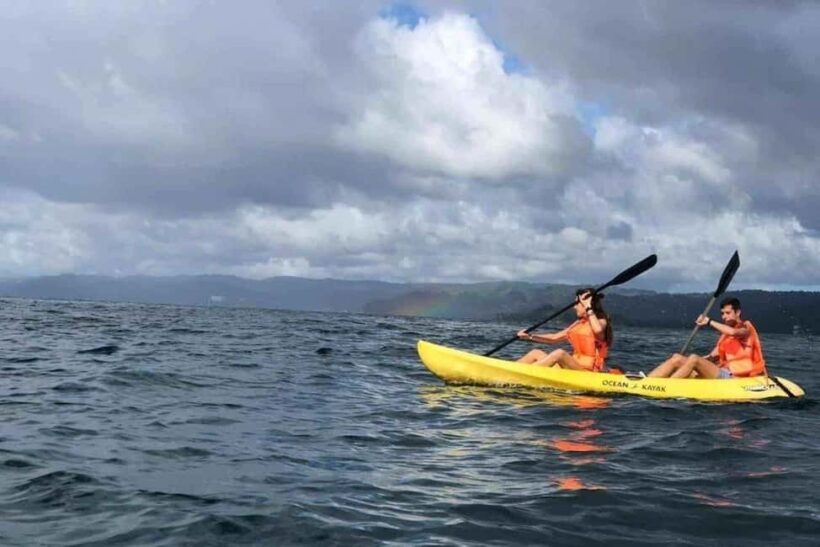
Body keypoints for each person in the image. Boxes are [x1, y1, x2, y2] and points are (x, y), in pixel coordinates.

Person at [648, 297, 766, 379]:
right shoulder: (725, 336)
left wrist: (709, 321)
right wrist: (688, 362)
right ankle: (647, 381)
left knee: (694, 358)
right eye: (722, 313)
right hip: (719, 371)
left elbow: (734, 332)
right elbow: (711, 357)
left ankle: (667, 387)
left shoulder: (746, 328)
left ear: (738, 312)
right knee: (677, 358)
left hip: (735, 377)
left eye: (728, 313)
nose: (724, 317)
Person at [516, 288, 612, 371]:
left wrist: (588, 306)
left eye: (577, 304)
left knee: (560, 353)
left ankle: (525, 373)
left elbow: (598, 330)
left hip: (590, 371)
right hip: (574, 366)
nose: (574, 307)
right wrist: (530, 336)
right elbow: (554, 338)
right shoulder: (578, 324)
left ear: (588, 304)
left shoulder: (601, 321)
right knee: (535, 353)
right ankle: (512, 370)